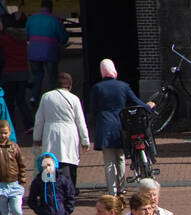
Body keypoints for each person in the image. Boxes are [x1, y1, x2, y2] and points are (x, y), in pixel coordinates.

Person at [88, 59, 147, 196]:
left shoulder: (97, 88)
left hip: (104, 125)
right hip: (121, 125)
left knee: (109, 161)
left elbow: (93, 109)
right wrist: (148, 108)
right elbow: (136, 101)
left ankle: (112, 191)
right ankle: (122, 188)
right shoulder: (123, 86)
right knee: (121, 158)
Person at [32, 73, 90, 187]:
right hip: (69, 132)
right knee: (69, 162)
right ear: (70, 86)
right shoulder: (74, 98)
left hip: (50, 132)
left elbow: (39, 120)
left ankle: (49, 191)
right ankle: (69, 190)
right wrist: (85, 140)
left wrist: (36, 138)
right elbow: (80, 121)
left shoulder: (46, 97)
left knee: (49, 162)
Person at [24, 1, 66, 107]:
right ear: (51, 8)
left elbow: (26, 36)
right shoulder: (55, 20)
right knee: (52, 77)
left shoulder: (31, 19)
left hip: (34, 52)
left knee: (37, 76)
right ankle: (52, 99)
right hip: (50, 53)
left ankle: (34, 97)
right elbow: (63, 38)